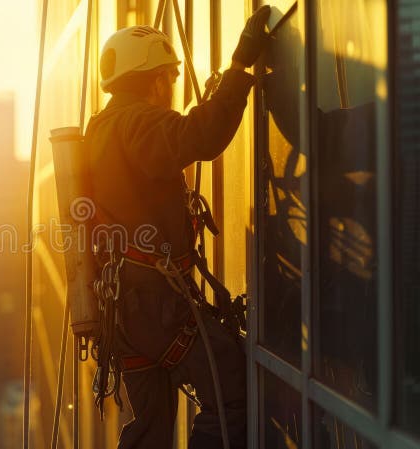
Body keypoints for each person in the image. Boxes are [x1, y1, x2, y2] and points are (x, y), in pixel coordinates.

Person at [85, 6, 271, 449]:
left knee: (149, 430)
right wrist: (239, 68)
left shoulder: (103, 125)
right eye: (170, 77)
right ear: (153, 79)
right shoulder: (138, 122)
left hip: (126, 310)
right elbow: (200, 137)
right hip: (155, 307)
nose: (172, 86)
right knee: (233, 393)